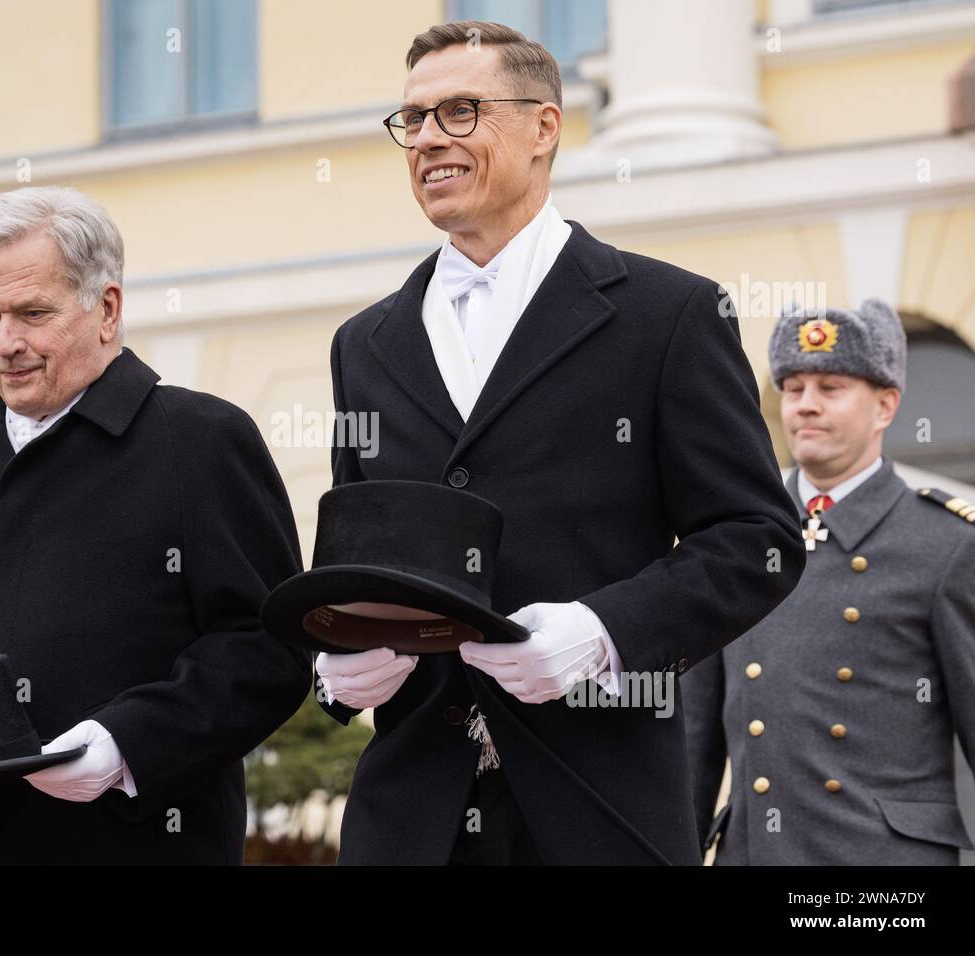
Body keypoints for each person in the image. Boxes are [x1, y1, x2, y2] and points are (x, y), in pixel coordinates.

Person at [315, 20, 806, 865]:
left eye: (460, 111)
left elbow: (756, 543)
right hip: (409, 822)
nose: (428, 137)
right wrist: (335, 664)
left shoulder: (668, 315)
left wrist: (601, 633)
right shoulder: (363, 344)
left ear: (546, 127)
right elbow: (358, 552)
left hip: (600, 811)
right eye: (413, 119)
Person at [0, 186, 310, 864]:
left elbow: (269, 648)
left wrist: (126, 744)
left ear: (107, 308)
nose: (6, 344)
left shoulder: (201, 441)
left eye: (32, 314)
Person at [683, 298, 975, 864]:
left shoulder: (945, 545)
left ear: (886, 405)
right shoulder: (736, 544)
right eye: (793, 388)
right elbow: (693, 744)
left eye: (830, 388)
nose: (806, 406)